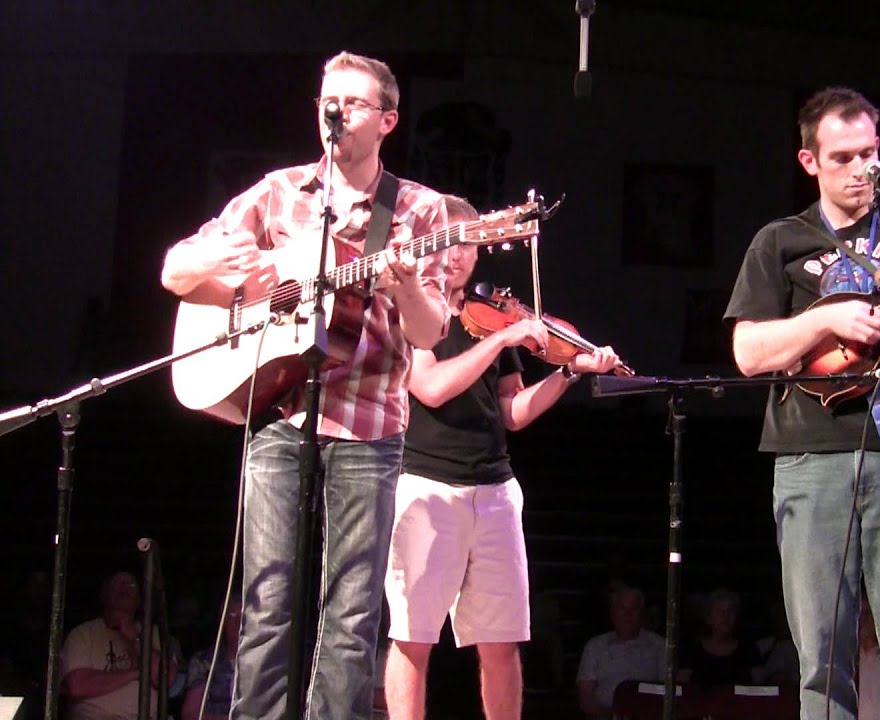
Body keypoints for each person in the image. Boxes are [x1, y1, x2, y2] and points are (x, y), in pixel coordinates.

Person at [159, 51, 451, 720]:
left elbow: (431, 331)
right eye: (329, 101)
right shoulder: (278, 192)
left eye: (352, 103)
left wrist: (405, 284)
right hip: (281, 413)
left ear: (386, 119)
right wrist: (227, 267)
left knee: (350, 616)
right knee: (267, 602)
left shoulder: (418, 210)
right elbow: (176, 271)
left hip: (371, 424)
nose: (336, 113)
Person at [724, 85, 880, 720]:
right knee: (823, 659)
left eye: (868, 153)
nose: (860, 169)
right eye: (841, 157)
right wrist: (826, 323)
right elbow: (749, 352)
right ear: (809, 161)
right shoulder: (779, 241)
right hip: (811, 458)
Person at [381, 194, 620, 720]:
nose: (457, 254)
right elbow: (432, 387)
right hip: (427, 484)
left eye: (468, 243)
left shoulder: (487, 319)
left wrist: (570, 371)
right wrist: (506, 337)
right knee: (413, 637)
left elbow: (512, 411)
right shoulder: (414, 315)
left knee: (502, 642)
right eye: (447, 242)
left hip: (495, 489)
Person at [59, 571, 178, 720]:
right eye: (117, 584)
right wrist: (139, 673)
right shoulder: (82, 634)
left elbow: (165, 679)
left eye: (131, 584)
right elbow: (76, 686)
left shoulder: (157, 634)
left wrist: (133, 636)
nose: (124, 588)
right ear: (104, 594)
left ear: (140, 598)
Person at [576, 585, 665, 720]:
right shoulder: (595, 646)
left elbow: (668, 691)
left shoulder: (659, 645)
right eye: (623, 609)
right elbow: (585, 697)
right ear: (612, 613)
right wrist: (611, 716)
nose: (628, 615)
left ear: (642, 614)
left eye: (634, 610)